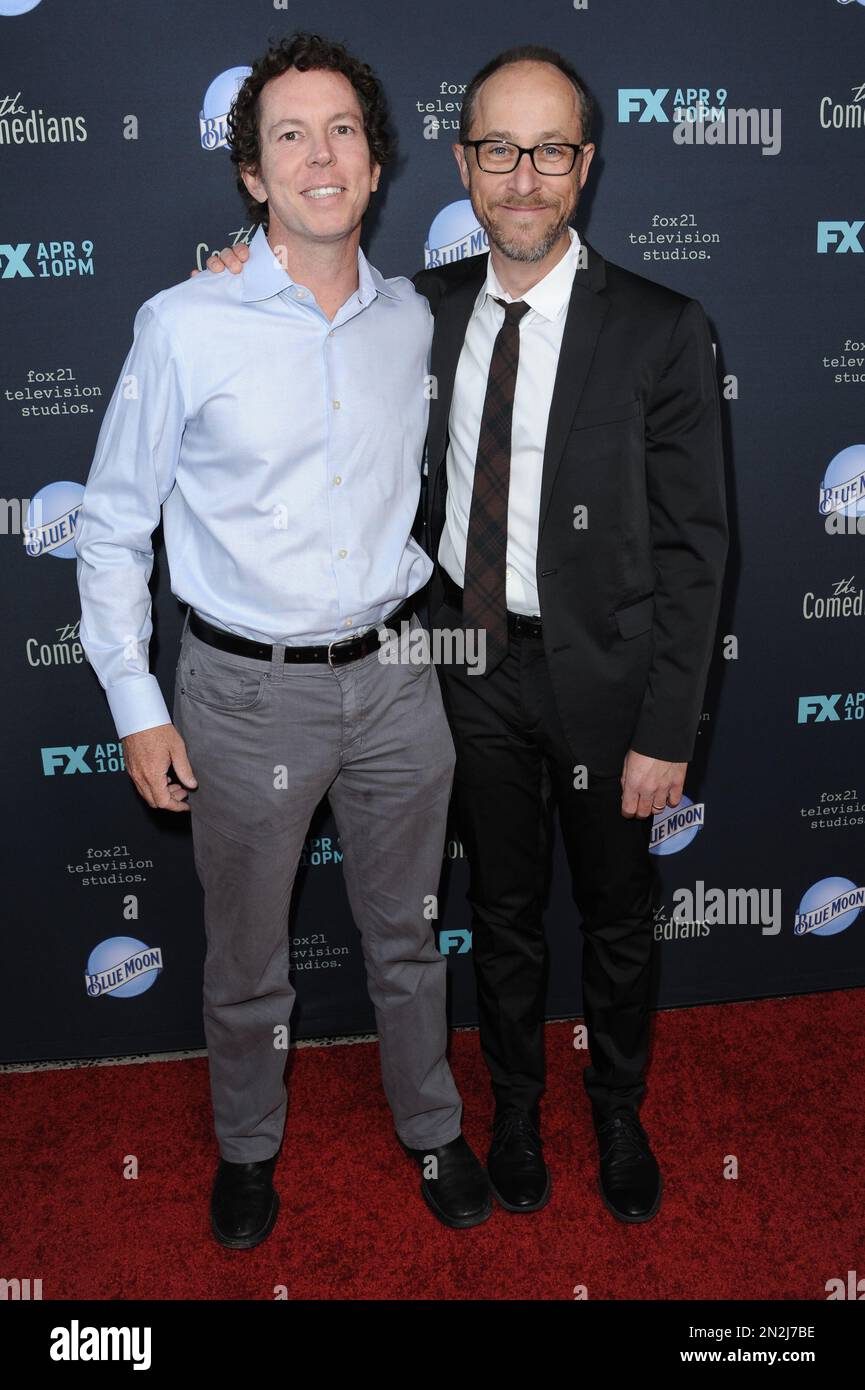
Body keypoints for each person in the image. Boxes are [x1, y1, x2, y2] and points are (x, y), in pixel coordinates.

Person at [206, 45, 729, 1226]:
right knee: (494, 911)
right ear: (463, 164)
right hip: (462, 667)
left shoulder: (660, 328)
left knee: (613, 913)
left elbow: (700, 551)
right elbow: (305, 313)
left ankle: (617, 1112)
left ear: (584, 167)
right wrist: (250, 269)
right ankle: (509, 1115)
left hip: (607, 678)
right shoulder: (418, 313)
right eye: (499, 149)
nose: (524, 177)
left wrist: (665, 730)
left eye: (551, 151)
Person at [74, 32, 491, 1250]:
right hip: (242, 693)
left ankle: (430, 1123)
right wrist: (135, 702)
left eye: (342, 130)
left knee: (408, 930)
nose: (321, 155)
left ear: (377, 161)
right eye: (290, 136)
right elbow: (108, 529)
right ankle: (249, 1148)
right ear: (254, 175)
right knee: (247, 959)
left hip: (400, 681)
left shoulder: (413, 318)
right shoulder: (183, 323)